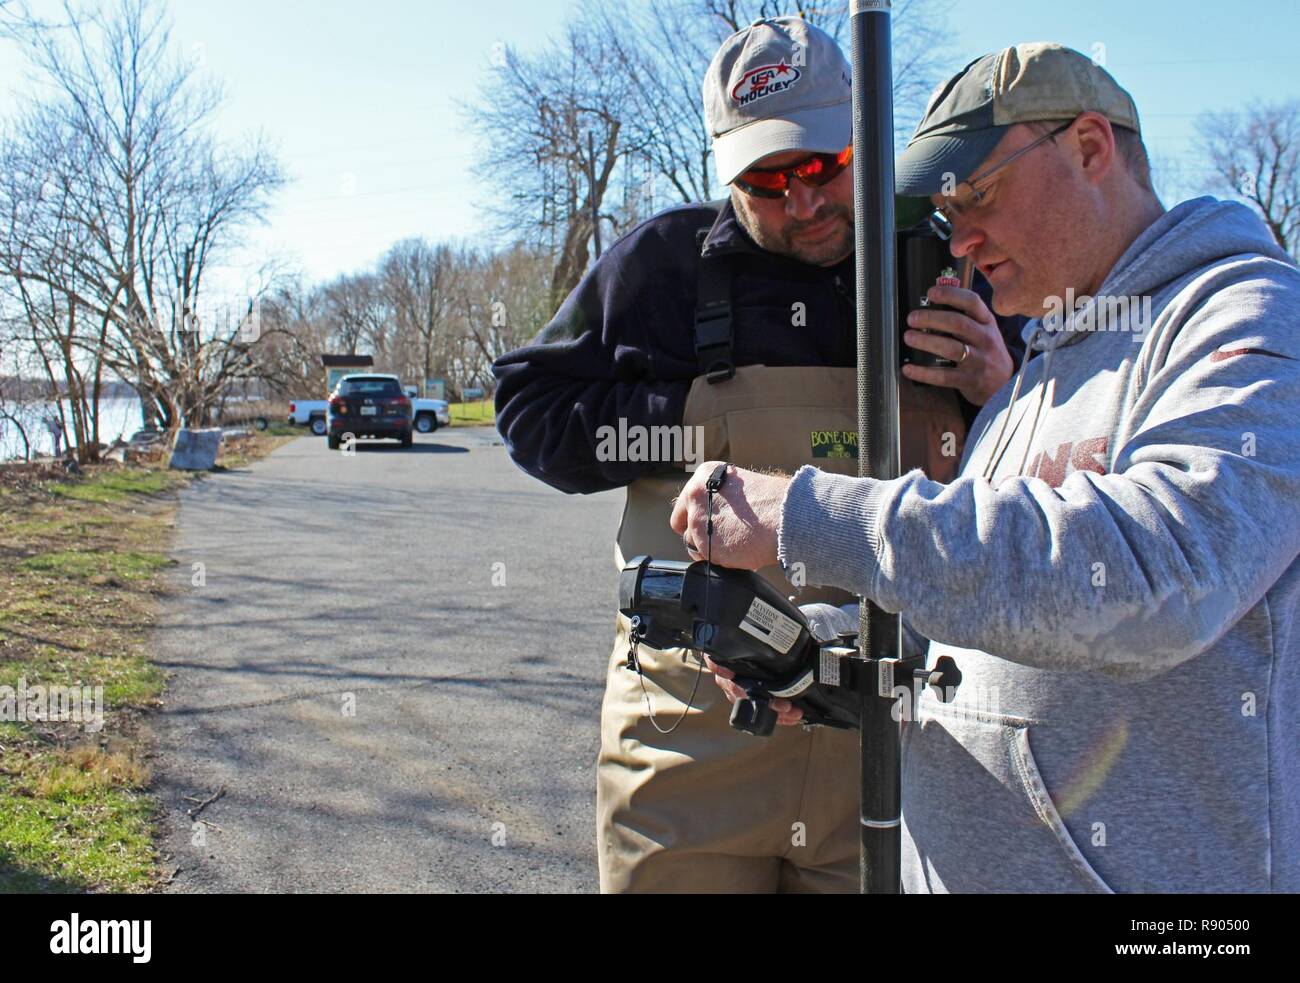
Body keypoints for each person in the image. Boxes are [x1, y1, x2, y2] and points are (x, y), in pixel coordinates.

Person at [672, 42, 1300, 893]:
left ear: (1088, 147)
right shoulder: (1017, 387)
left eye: (979, 193)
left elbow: (1163, 574)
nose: (958, 235)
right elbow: (962, 639)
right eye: (945, 204)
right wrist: (815, 658)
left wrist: (806, 516)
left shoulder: (1247, 318)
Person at [492, 17, 1019, 893]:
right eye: (766, 181)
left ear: (863, 139)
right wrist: (694, 419)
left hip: (898, 737)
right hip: (691, 745)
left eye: (822, 169)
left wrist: (1001, 384)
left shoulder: (953, 258)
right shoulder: (662, 268)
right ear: (724, 167)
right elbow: (527, 408)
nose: (803, 204)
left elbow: (1069, 462)